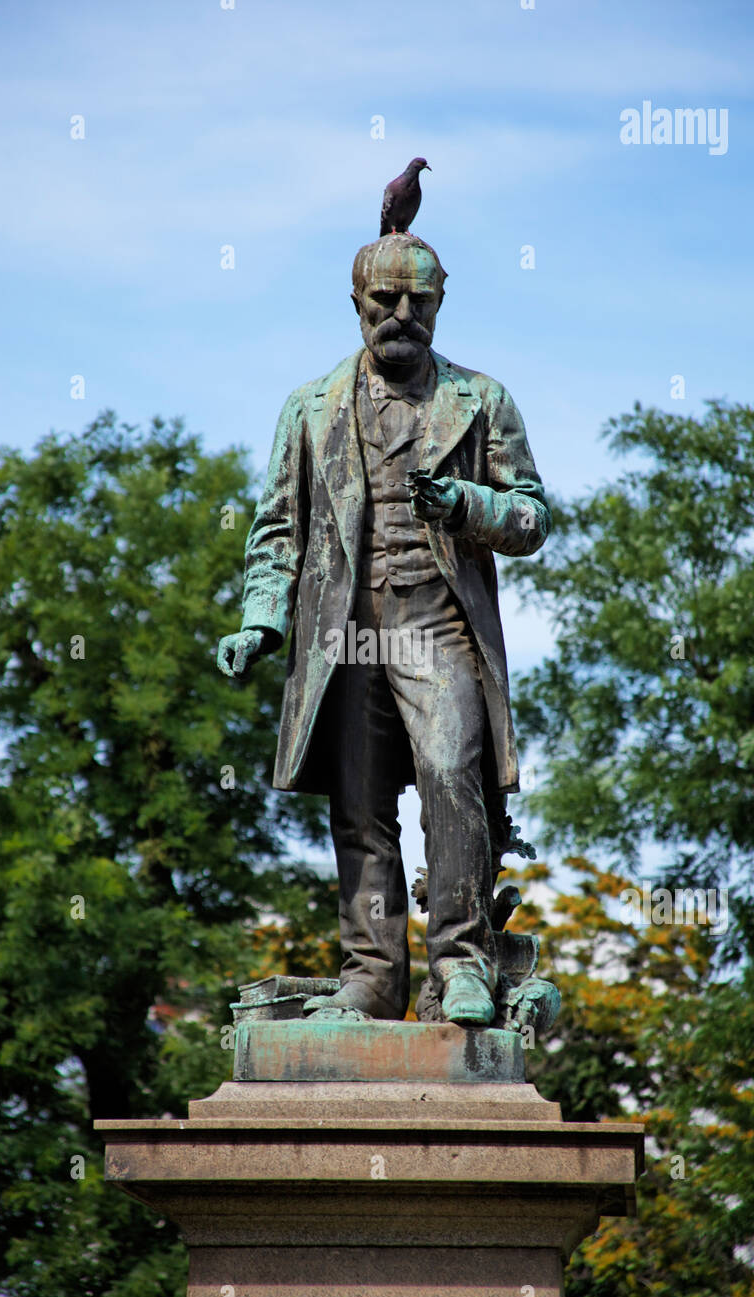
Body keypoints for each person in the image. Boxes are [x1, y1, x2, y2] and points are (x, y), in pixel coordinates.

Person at [216, 233, 550, 1025]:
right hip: (344, 636)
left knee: (451, 781)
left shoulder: (482, 399)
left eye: (419, 303)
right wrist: (261, 620)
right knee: (359, 808)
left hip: (438, 625)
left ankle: (462, 962)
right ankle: (369, 978)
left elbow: (533, 515)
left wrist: (469, 505)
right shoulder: (310, 408)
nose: (402, 316)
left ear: (439, 304)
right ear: (357, 303)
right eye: (385, 302)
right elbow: (276, 531)